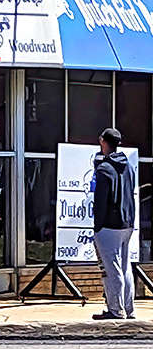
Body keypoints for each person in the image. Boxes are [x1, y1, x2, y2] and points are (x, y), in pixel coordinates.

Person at [92, 128, 136, 321]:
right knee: (125, 267)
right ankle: (129, 308)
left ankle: (116, 310)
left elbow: (100, 201)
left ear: (103, 141)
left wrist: (97, 226)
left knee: (111, 269)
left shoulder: (103, 169)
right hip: (127, 223)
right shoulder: (129, 167)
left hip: (108, 225)